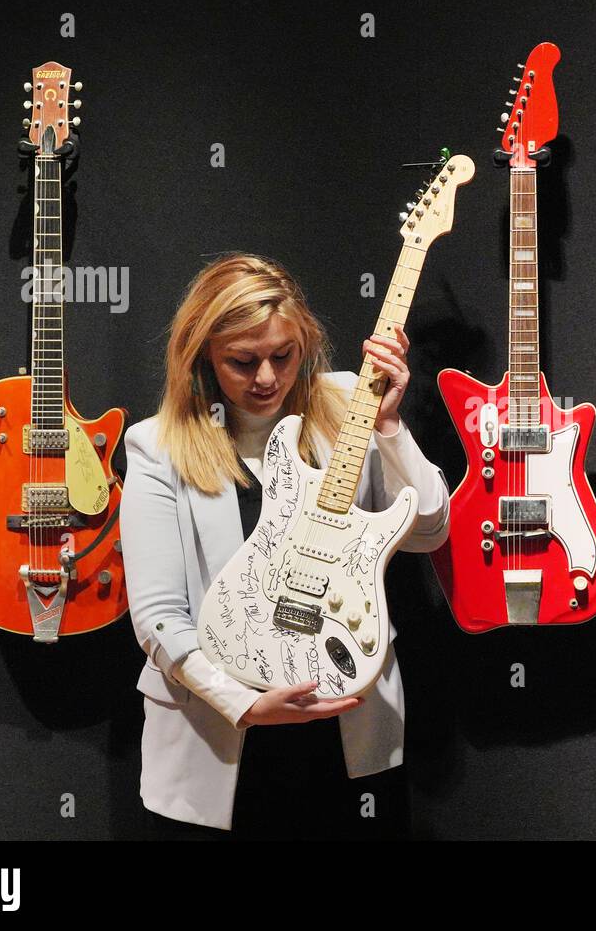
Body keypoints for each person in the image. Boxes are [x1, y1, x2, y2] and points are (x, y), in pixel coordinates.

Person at [119, 253, 449, 838]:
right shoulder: (157, 447)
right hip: (218, 734)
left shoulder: (353, 405)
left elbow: (428, 530)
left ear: (305, 343)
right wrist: (245, 705)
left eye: (283, 355)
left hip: (347, 722)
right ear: (202, 358)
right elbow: (157, 615)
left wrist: (390, 430)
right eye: (242, 362)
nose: (267, 378)